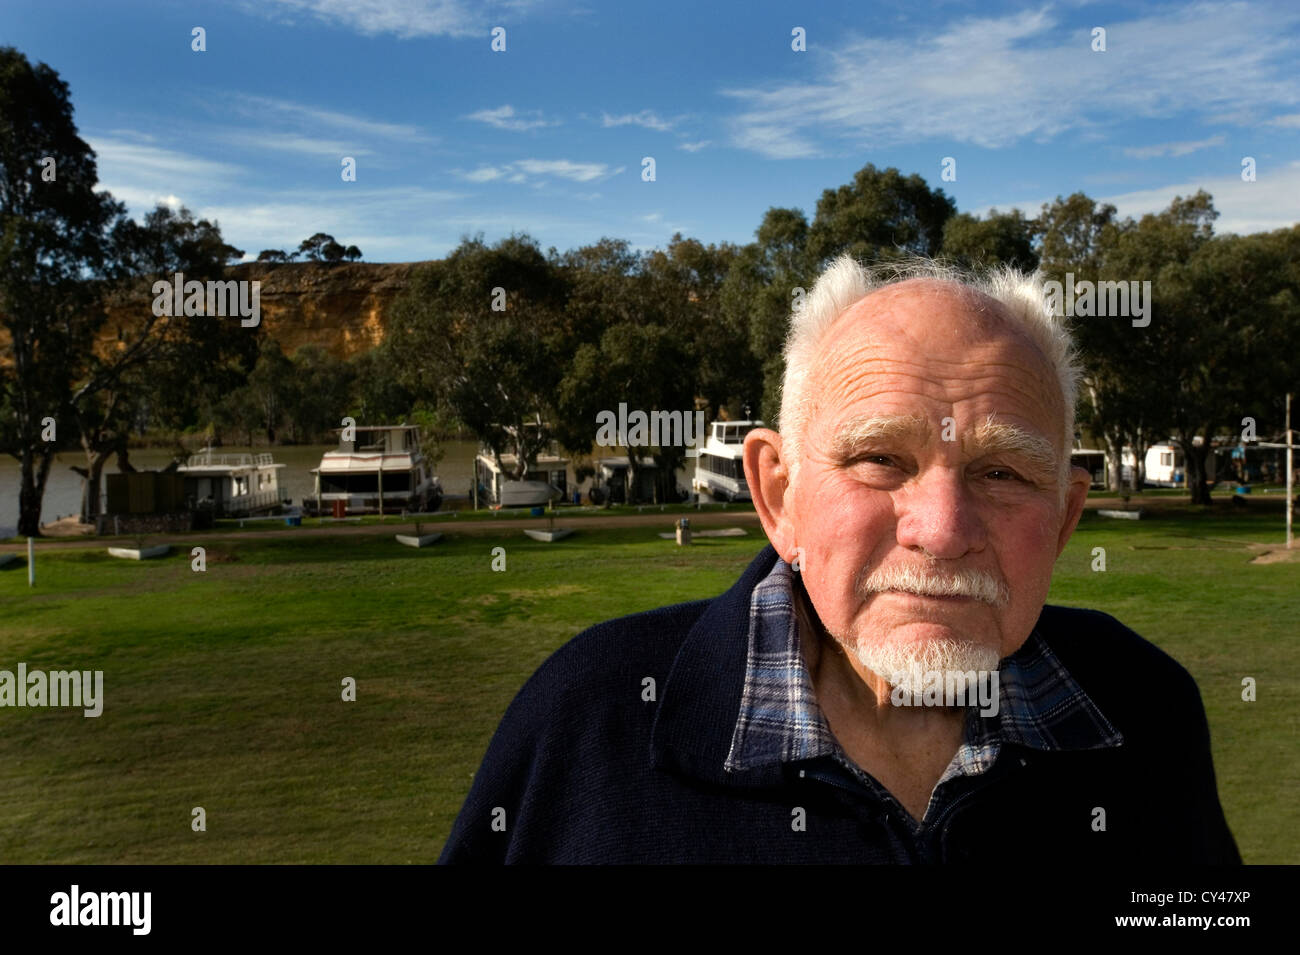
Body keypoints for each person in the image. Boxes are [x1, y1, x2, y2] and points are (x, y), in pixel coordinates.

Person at [438, 255, 1240, 864]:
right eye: (881, 459)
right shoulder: (588, 722)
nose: (943, 528)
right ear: (778, 496)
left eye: (1002, 471)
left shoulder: (1145, 709)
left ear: (1064, 521)